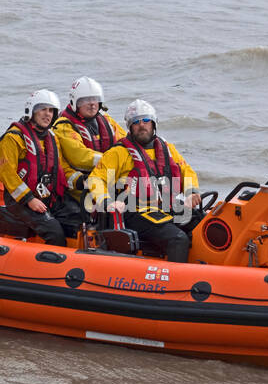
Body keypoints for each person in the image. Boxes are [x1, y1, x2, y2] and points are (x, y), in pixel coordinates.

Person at [85, 99, 202, 262]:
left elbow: (186, 170)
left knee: (203, 225)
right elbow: (96, 179)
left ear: (154, 124)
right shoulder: (119, 153)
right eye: (136, 122)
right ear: (130, 127)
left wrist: (191, 192)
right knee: (178, 239)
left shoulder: (167, 148)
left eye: (146, 120)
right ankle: (174, 283)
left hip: (167, 207)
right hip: (136, 212)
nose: (141, 125)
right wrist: (107, 201)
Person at [0, 90, 83, 245]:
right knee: (54, 233)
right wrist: (29, 199)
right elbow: (7, 174)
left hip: (48, 196)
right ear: (32, 111)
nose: (47, 114)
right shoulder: (13, 138)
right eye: (42, 109)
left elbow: (62, 169)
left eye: (51, 111)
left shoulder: (52, 139)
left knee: (79, 216)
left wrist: (82, 181)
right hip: (20, 200)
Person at [53, 76, 123, 200]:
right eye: (85, 100)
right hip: (80, 188)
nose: (92, 104)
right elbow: (80, 157)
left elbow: (125, 141)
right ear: (75, 102)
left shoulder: (107, 120)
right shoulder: (63, 126)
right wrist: (115, 161)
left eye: (95, 99)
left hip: (108, 179)